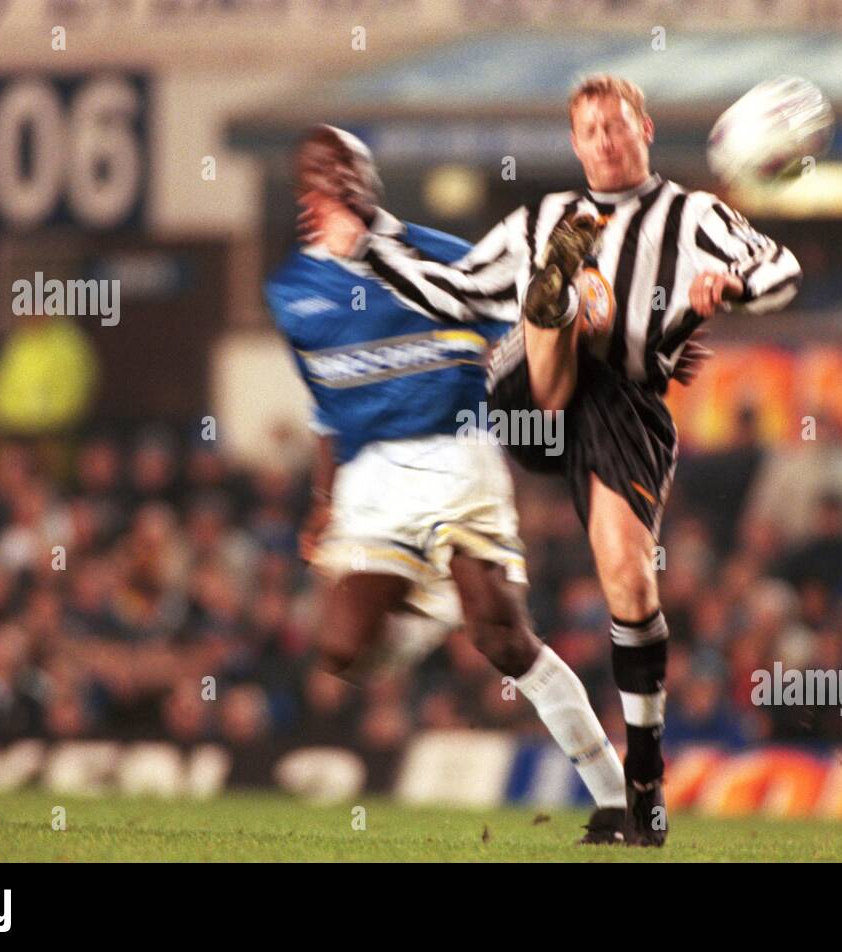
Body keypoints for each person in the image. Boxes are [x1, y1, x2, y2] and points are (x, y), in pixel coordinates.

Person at [321, 75, 802, 844]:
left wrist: (731, 284)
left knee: (628, 577)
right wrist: (374, 239)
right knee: (558, 306)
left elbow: (782, 271)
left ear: (644, 129)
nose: (607, 140)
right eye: (591, 130)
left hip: (623, 406)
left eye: (617, 125)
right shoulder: (540, 216)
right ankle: (557, 302)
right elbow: (457, 292)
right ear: (575, 144)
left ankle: (643, 781)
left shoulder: (696, 216)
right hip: (532, 394)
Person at [265, 125, 633, 843]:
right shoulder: (292, 294)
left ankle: (619, 798)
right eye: (315, 180)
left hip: (458, 457)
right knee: (342, 654)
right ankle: (438, 599)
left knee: (501, 636)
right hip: (370, 481)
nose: (329, 191)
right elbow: (322, 409)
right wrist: (320, 500)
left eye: (342, 175)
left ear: (369, 184)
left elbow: (535, 339)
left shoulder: (449, 259)